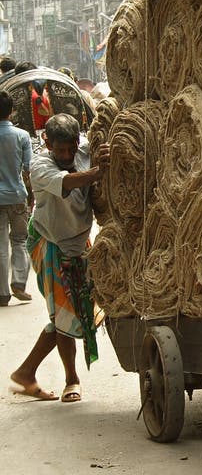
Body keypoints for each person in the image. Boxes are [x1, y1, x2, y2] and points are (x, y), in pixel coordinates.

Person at [10, 114, 110, 402]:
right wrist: (96, 172)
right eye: (59, 150)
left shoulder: (84, 150)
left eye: (70, 148)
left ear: (77, 141)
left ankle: (33, 373)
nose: (66, 155)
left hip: (78, 241)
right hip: (50, 242)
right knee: (65, 314)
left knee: (74, 312)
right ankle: (64, 378)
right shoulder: (40, 165)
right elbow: (67, 182)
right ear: (47, 143)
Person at [0, 91, 33, 306]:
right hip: (18, 195)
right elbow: (29, 169)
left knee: (1, 245)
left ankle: (2, 293)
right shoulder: (22, 136)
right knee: (20, 240)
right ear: (11, 110)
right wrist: (31, 195)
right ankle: (19, 283)